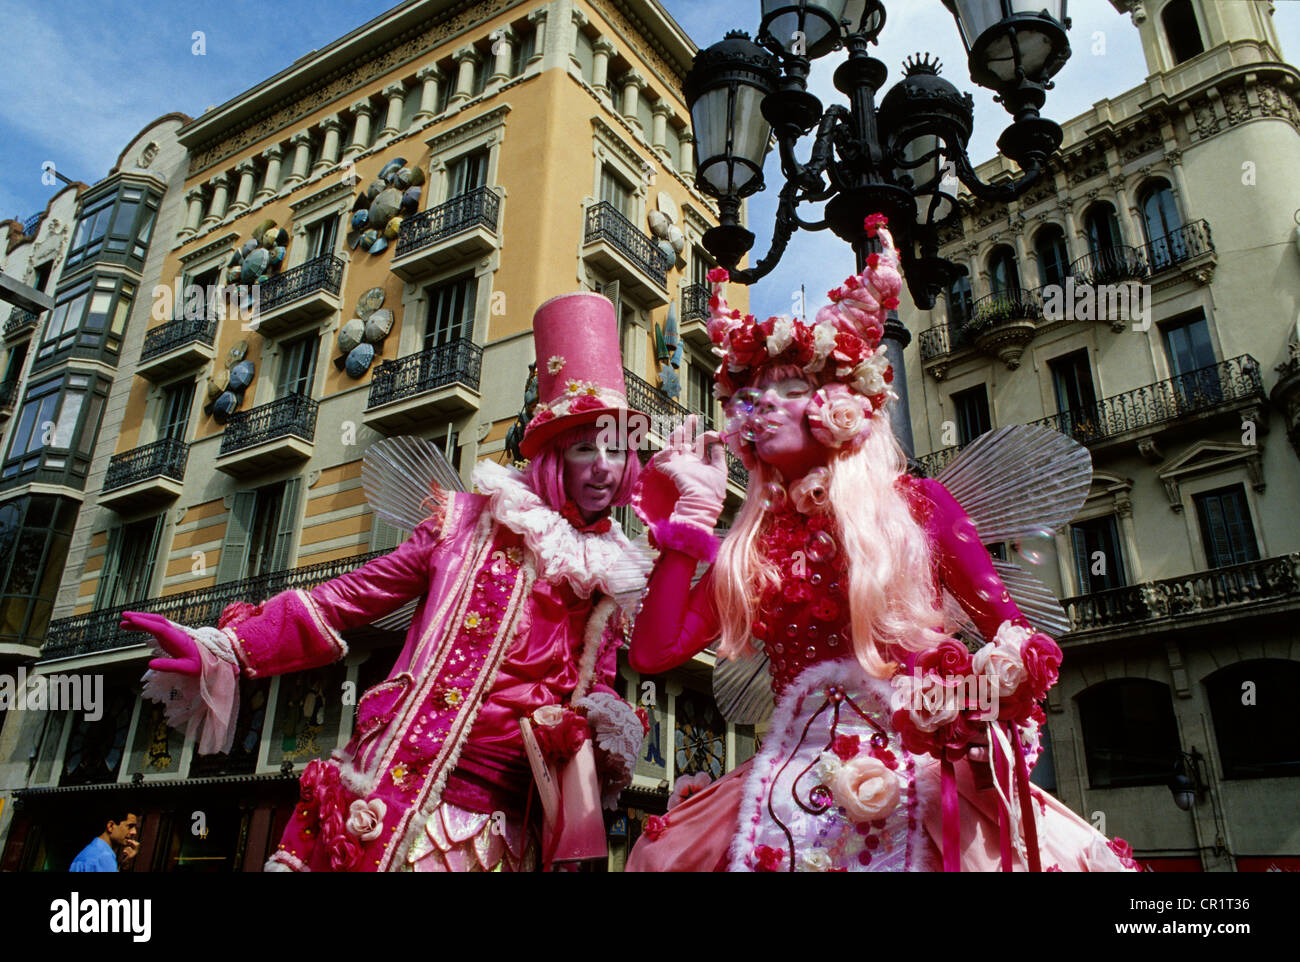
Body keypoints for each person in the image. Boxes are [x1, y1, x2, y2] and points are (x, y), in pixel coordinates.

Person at [624, 215, 1140, 872]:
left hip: (921, 788)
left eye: (788, 390)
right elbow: (652, 649)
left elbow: (1013, 639)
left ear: (843, 406)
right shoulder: (752, 548)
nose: (764, 410)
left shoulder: (919, 510)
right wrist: (691, 521)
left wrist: (974, 696)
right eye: (753, 399)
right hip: (786, 799)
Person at [122, 292, 649, 872]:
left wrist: (604, 725)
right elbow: (352, 595)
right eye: (584, 447)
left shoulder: (612, 575)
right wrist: (233, 647)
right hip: (416, 788)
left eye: (617, 449)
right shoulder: (467, 525)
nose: (604, 465)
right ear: (554, 455)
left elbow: (596, 688)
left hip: (523, 819)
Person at [70, 808, 138, 872]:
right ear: (110, 826)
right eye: (130, 826)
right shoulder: (104, 857)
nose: (134, 832)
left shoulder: (91, 851)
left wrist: (125, 863)